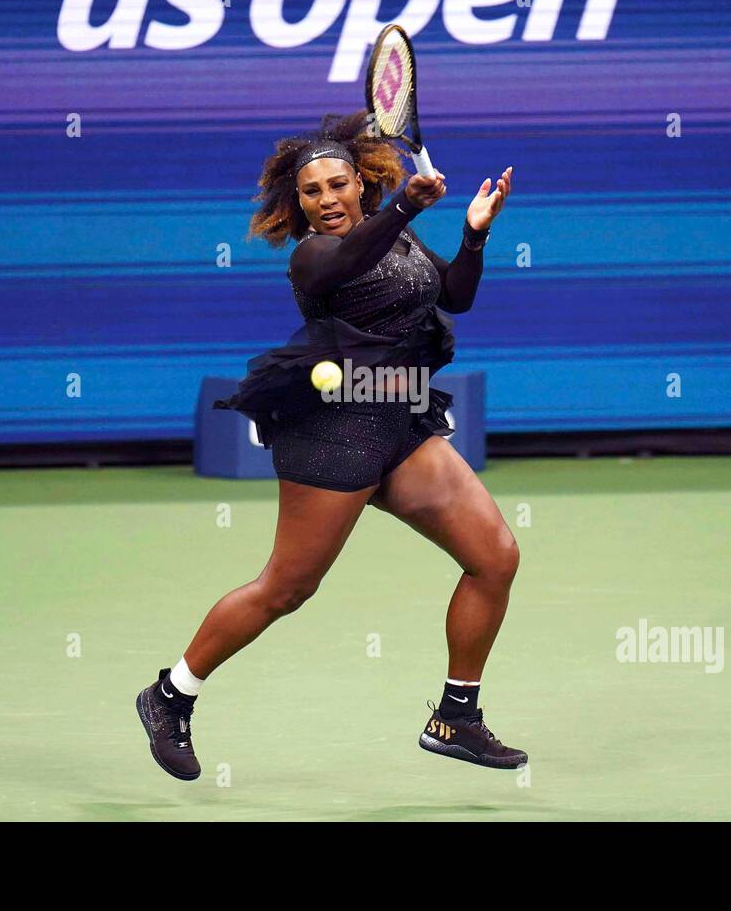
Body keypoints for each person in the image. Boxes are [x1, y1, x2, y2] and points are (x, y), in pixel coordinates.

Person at [136, 110, 523, 780]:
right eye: (312, 192)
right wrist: (405, 205)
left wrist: (473, 233)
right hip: (332, 432)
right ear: (300, 204)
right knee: (286, 588)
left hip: (400, 425)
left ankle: (455, 715)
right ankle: (170, 696)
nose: (327, 200)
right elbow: (350, 260)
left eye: (338, 185)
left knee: (494, 556)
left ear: (359, 183)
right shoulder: (316, 255)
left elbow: (455, 297)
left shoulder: (400, 243)